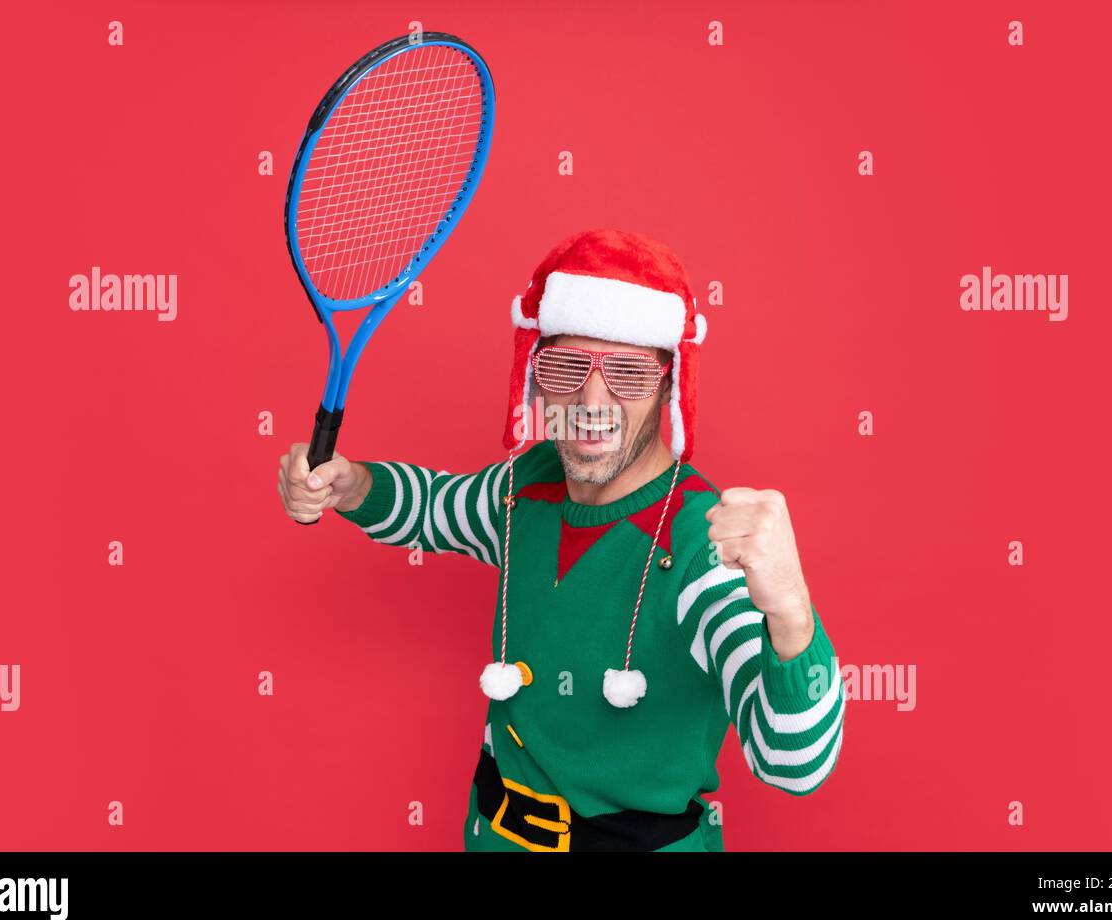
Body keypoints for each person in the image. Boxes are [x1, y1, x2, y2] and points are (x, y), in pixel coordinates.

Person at [278, 229, 844, 851]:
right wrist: (350, 484)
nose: (590, 402)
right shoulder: (530, 483)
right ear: (535, 371)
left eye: (628, 372)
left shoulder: (707, 547)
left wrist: (791, 610)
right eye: (568, 366)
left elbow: (794, 765)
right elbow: (434, 508)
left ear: (668, 384)